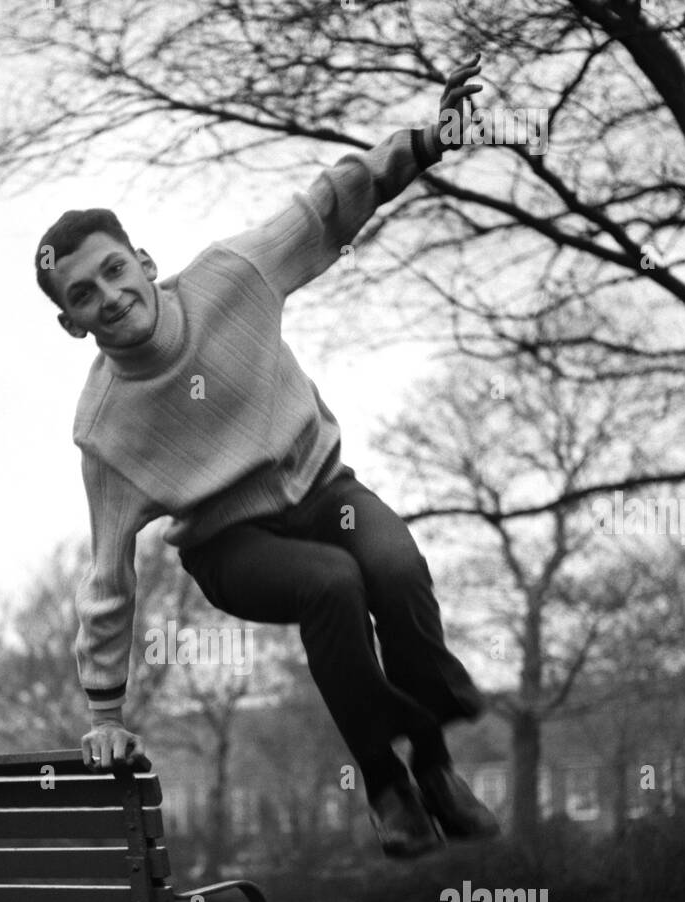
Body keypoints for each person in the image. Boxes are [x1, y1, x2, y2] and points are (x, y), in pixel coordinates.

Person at [35, 55, 499, 857]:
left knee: (389, 565)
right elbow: (108, 575)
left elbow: (327, 205)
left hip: (326, 490)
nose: (109, 297)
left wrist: (428, 140)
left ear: (144, 263)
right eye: (84, 296)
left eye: (114, 271)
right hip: (231, 542)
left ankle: (433, 764)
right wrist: (104, 716)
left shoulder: (232, 274)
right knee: (331, 584)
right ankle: (385, 789)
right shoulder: (105, 431)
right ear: (73, 325)